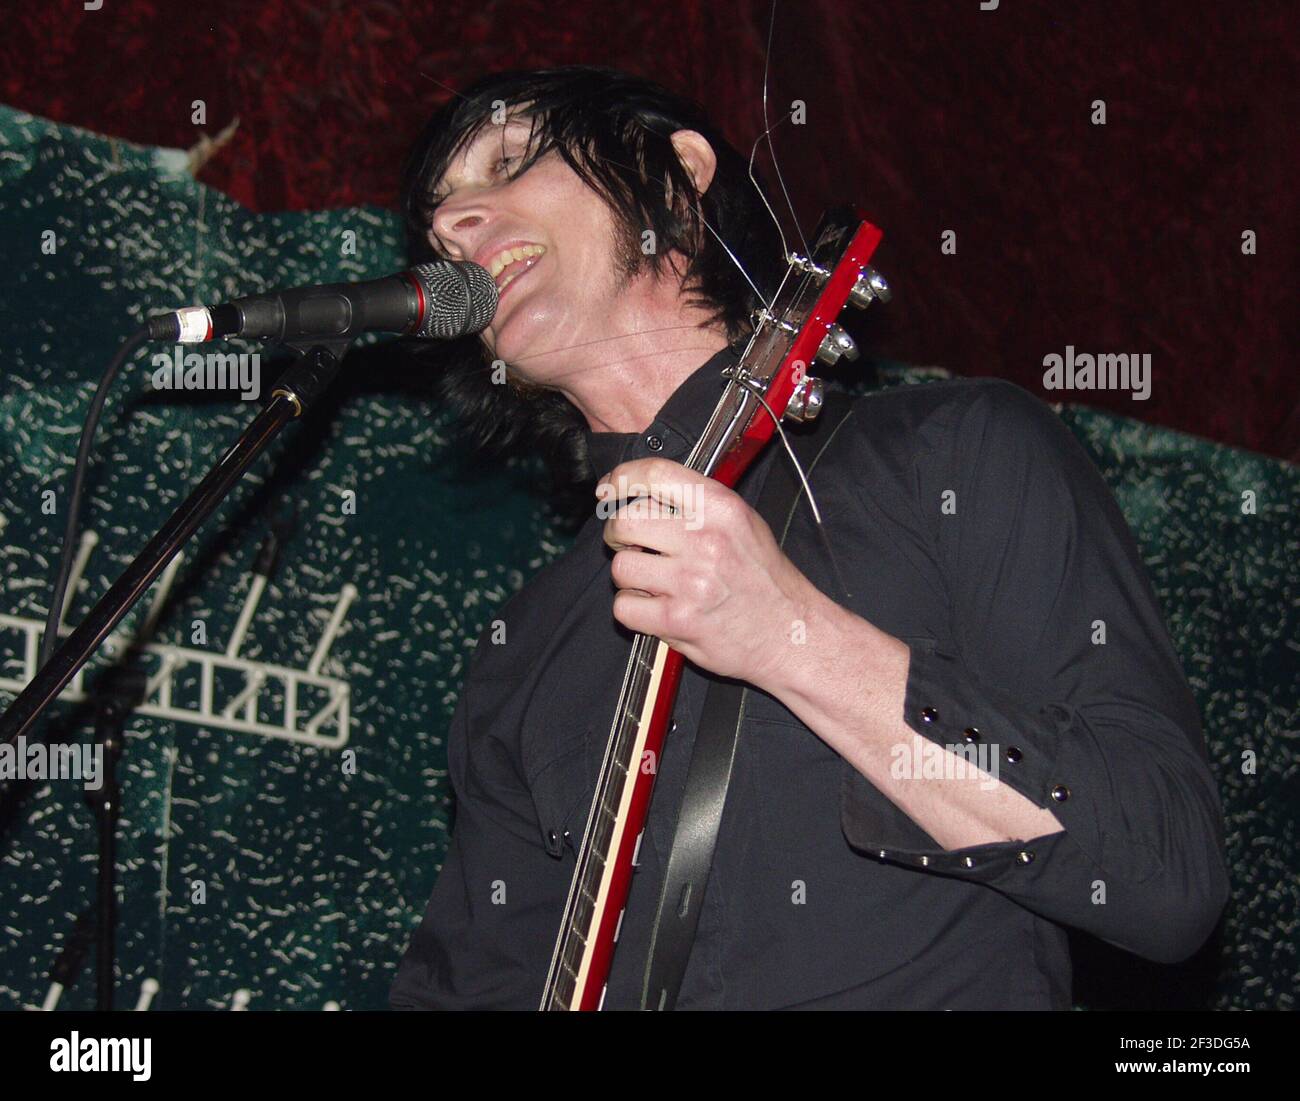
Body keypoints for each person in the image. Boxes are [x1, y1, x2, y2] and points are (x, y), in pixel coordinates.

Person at [389, 65, 1229, 1010]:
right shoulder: (525, 648)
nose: (458, 222)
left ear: (675, 176)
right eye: (440, 215)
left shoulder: (955, 453)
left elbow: (1167, 875)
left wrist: (796, 636)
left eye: (507, 161)